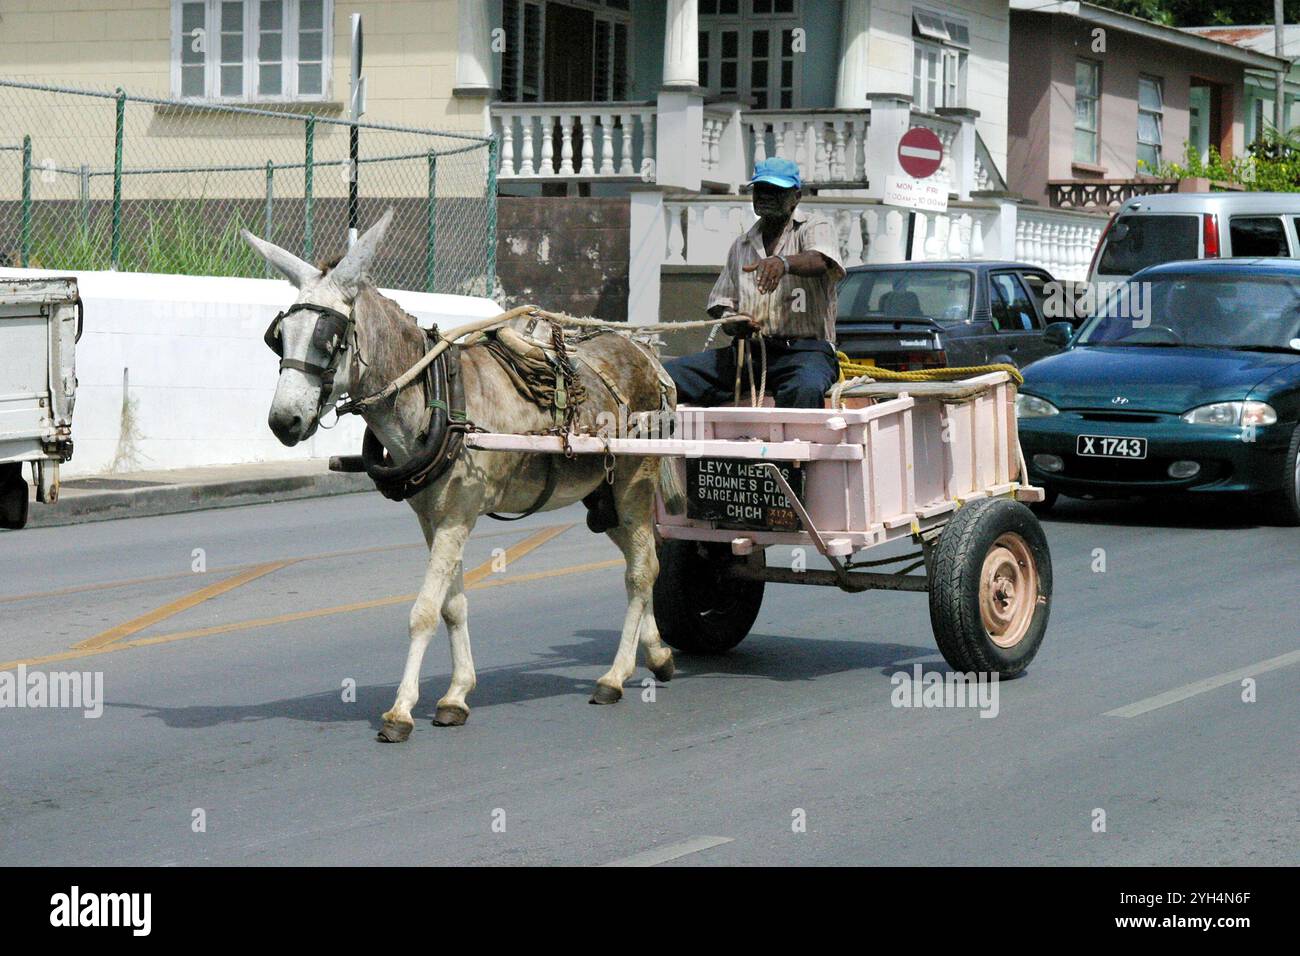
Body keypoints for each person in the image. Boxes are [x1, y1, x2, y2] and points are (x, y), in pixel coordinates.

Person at [664, 156, 845, 409]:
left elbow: (821, 260)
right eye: (761, 189)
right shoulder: (742, 245)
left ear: (796, 197)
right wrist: (733, 322)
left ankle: (794, 448)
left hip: (805, 352)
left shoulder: (814, 227)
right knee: (667, 377)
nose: (766, 196)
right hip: (749, 354)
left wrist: (784, 263)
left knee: (803, 387)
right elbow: (720, 304)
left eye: (776, 190)